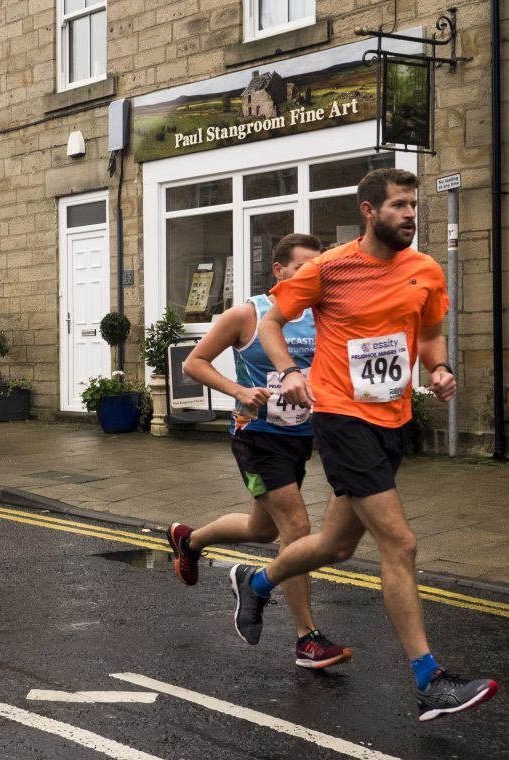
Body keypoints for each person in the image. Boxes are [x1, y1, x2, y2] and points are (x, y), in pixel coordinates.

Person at [229, 168, 498, 720]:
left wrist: (440, 367)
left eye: (414, 207)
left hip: (392, 419)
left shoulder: (424, 269)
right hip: (341, 418)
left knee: (336, 545)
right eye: (399, 205)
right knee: (400, 544)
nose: (410, 215)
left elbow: (427, 333)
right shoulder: (331, 268)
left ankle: (255, 582)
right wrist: (288, 372)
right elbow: (273, 323)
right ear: (369, 211)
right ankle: (429, 679)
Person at [173, 233, 350, 670]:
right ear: (279, 271)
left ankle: (190, 541)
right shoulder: (247, 314)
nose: (314, 276)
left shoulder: (320, 315)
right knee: (297, 526)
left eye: (319, 268)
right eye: (305, 268)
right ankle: (307, 638)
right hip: (256, 437)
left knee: (262, 529)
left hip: (300, 437)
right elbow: (193, 363)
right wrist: (238, 390)